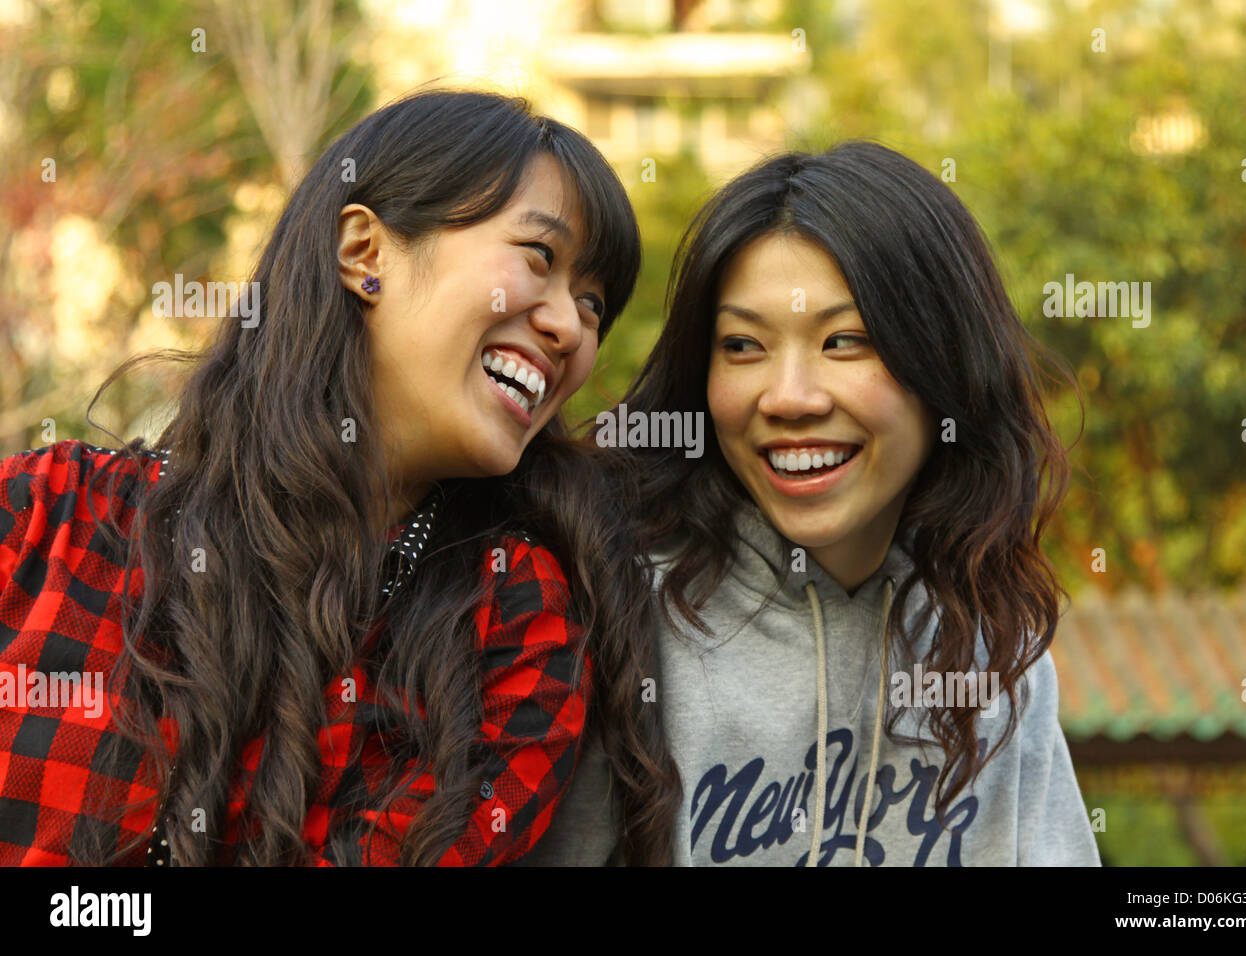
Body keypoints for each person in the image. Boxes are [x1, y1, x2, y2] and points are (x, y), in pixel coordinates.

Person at [0, 88, 678, 866]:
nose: (570, 328)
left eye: (594, 303)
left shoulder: (513, 623)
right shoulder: (41, 518)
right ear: (365, 255)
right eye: (539, 258)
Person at [526, 141, 1100, 866]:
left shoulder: (992, 643)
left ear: (942, 361)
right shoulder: (615, 606)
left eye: (844, 341)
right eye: (742, 345)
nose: (789, 397)